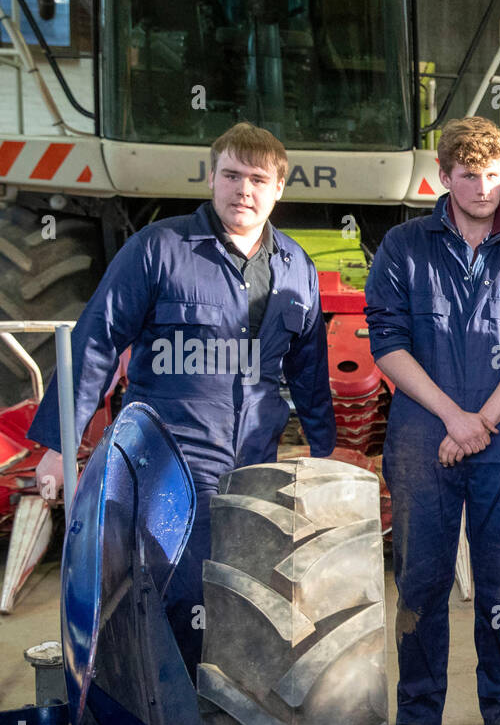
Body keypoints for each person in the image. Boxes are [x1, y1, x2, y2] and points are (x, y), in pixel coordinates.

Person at [30, 122, 335, 677]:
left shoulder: (297, 268)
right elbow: (96, 340)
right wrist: (60, 443)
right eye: (231, 175)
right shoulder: (158, 250)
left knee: (248, 589)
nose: (243, 189)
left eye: (258, 179)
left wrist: (325, 448)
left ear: (278, 190)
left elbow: (309, 368)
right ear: (212, 178)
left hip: (256, 463)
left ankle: (226, 708)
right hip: (170, 460)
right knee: (180, 588)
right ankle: (177, 723)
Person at [365, 116, 500, 725]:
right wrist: (454, 417)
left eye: (493, 172)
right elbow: (387, 345)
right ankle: (418, 714)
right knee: (420, 577)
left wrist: (480, 422)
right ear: (444, 176)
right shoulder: (404, 247)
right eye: (468, 173)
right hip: (425, 431)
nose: (483, 185)